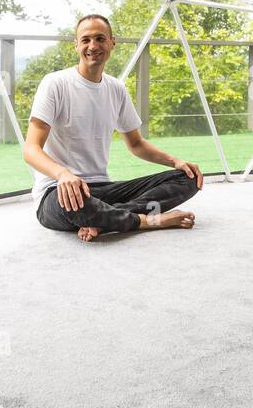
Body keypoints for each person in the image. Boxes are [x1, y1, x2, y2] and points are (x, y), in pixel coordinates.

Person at [23, 14, 201, 242]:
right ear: (76, 44)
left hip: (103, 189)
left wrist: (176, 162)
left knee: (188, 178)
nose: (93, 46)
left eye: (100, 38)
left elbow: (136, 144)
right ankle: (147, 221)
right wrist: (63, 174)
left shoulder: (116, 89)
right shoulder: (55, 83)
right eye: (85, 40)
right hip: (57, 191)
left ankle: (104, 219)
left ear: (112, 42)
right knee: (73, 203)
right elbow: (31, 149)